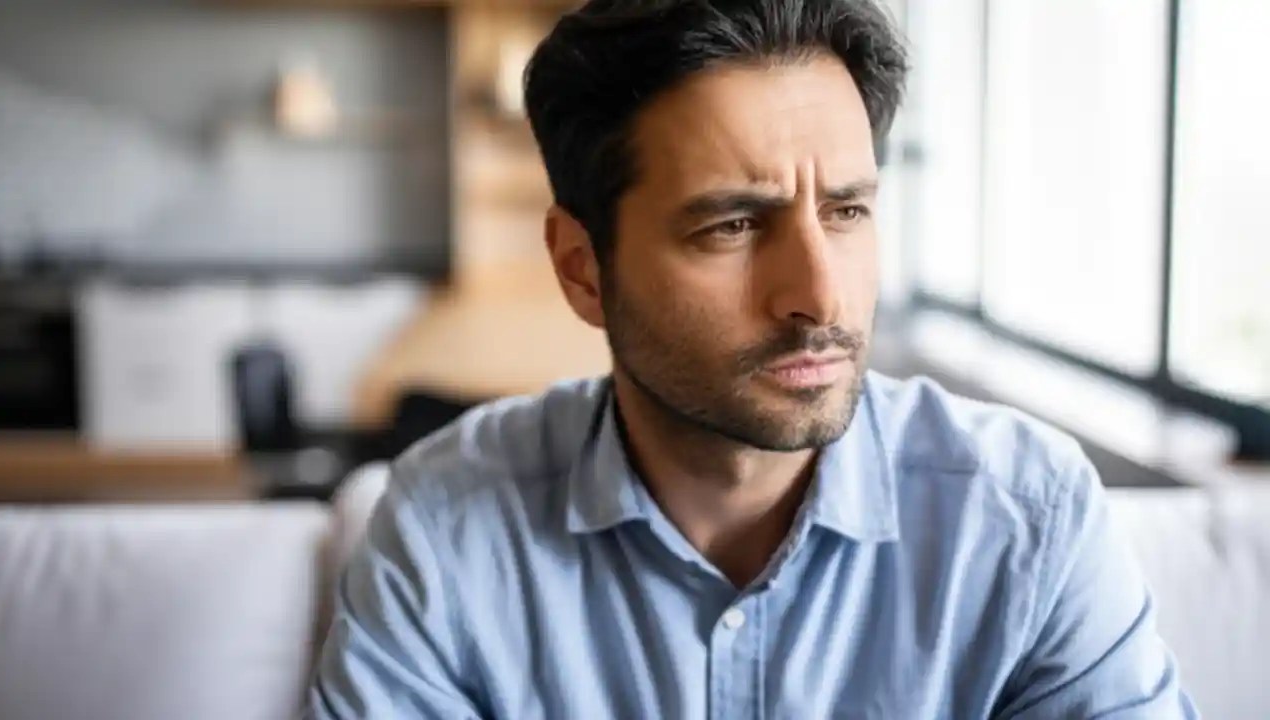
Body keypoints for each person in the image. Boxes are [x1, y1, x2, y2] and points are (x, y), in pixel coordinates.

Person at [309, 0, 1197, 717]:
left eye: (846, 211)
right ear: (584, 269)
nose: (821, 295)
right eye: (733, 225)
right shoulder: (447, 529)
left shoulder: (1025, 520)